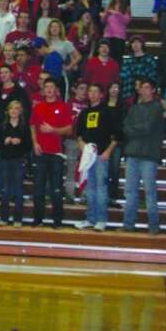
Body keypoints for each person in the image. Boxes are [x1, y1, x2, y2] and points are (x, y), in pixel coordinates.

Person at [121, 80, 166, 234]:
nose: (144, 90)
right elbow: (125, 128)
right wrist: (136, 128)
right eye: (142, 87)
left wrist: (134, 129)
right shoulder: (134, 108)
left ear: (153, 90)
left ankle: (154, 226)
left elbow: (147, 128)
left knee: (150, 192)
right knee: (130, 192)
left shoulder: (157, 107)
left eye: (147, 87)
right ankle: (128, 225)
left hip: (149, 155)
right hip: (133, 154)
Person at [74, 83, 119, 231]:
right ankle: (90, 219)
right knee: (90, 188)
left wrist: (107, 152)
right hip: (88, 157)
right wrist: (82, 146)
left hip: (101, 156)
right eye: (90, 91)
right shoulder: (84, 113)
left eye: (96, 91)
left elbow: (117, 135)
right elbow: (78, 134)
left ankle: (101, 220)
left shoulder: (108, 112)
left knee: (101, 188)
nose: (92, 94)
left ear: (101, 95)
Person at [30, 79, 73, 229]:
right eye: (46, 87)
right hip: (40, 153)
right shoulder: (38, 106)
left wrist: (53, 130)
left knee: (56, 189)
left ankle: (57, 221)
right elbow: (32, 126)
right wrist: (35, 143)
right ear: (43, 90)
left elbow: (69, 129)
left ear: (56, 90)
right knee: (38, 189)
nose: (48, 89)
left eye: (51, 87)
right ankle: (38, 220)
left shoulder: (63, 106)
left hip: (56, 154)